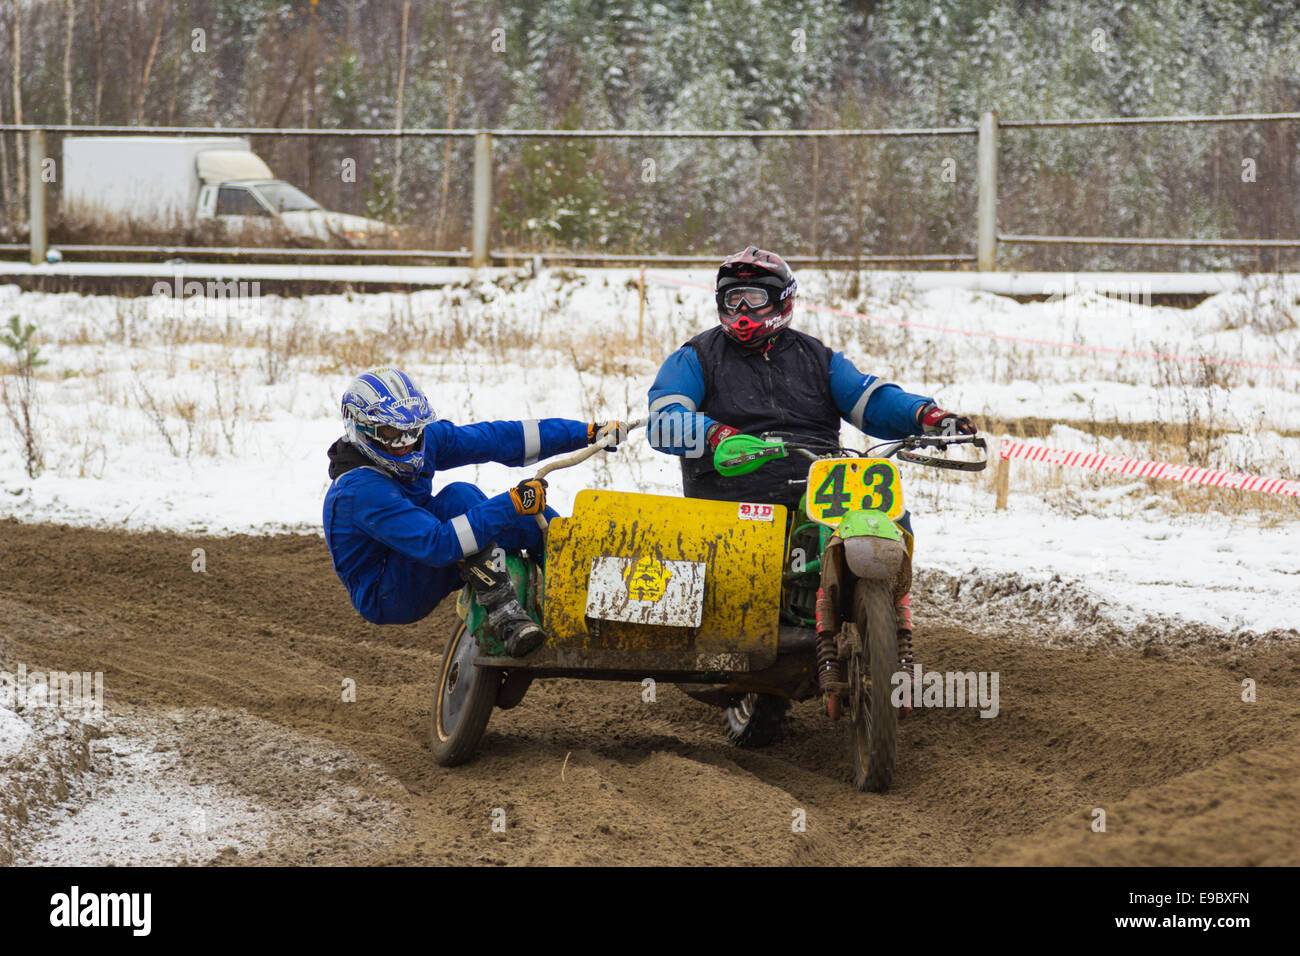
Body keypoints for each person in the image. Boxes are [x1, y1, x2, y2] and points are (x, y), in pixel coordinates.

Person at [645, 246, 976, 681]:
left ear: (783, 299)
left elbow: (870, 400)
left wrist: (926, 416)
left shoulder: (816, 358)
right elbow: (662, 421)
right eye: (733, 299)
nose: (742, 309)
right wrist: (712, 433)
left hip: (819, 480)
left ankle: (888, 616)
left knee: (892, 519)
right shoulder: (696, 357)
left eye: (754, 298)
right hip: (734, 489)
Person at [323, 366, 625, 657]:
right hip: (388, 593)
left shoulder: (422, 441)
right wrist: (511, 502)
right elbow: (438, 545)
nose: (407, 443)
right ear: (361, 430)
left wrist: (586, 432)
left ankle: (591, 594)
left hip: (424, 548)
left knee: (532, 518)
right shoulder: (359, 490)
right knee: (461, 499)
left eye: (413, 429)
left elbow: (496, 440)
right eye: (392, 432)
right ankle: (506, 615)